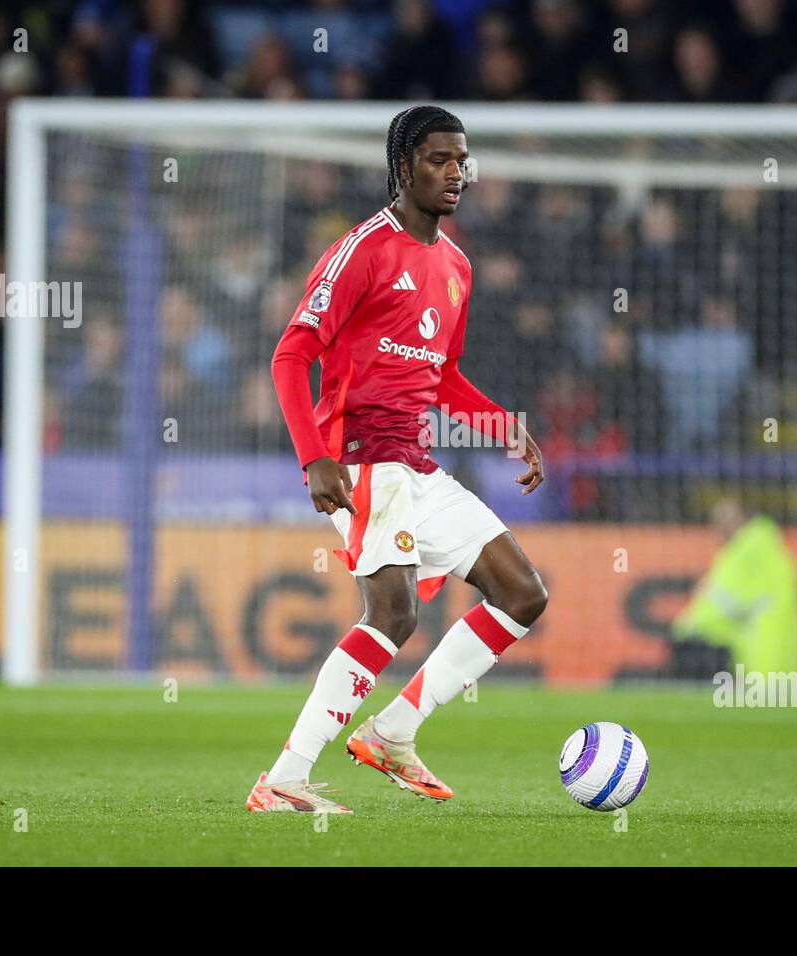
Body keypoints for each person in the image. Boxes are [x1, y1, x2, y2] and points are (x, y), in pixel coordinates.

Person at [251, 106, 549, 815]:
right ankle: (285, 778)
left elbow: (441, 374)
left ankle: (393, 732)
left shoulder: (456, 266)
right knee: (391, 612)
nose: (456, 173)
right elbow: (291, 354)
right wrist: (313, 459)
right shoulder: (362, 249)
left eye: (462, 161)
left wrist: (503, 425)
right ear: (404, 165)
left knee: (522, 592)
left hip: (414, 465)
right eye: (440, 160)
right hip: (359, 460)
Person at [669, 497, 797, 677]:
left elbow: (727, 596)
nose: (721, 526)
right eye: (718, 520)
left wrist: (691, 623)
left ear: (741, 518)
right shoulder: (761, 543)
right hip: (771, 632)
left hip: (763, 635)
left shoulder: (748, 548)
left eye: (726, 518)